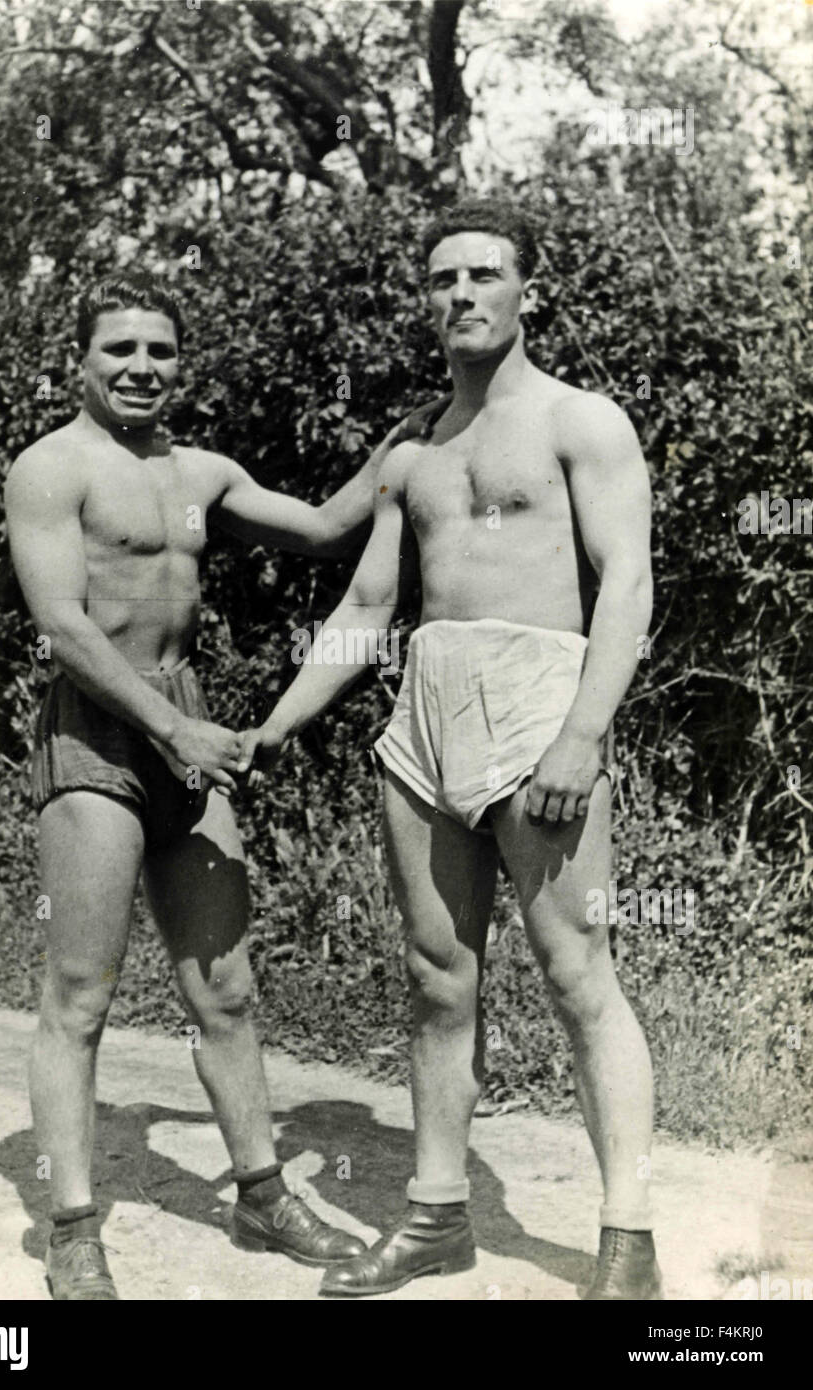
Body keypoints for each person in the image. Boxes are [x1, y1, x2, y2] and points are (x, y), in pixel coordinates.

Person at [241, 197, 661, 1301]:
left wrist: (582, 733)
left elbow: (627, 587)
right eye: (444, 280)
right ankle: (435, 1216)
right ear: (425, 300)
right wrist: (277, 722)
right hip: (427, 712)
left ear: (529, 289)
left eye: (484, 274)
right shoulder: (412, 450)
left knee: (578, 976)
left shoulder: (584, 422)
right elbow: (368, 603)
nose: (463, 295)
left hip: (543, 703)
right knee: (437, 979)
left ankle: (625, 1245)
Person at [4, 270, 437, 1299]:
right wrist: (174, 729)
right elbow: (63, 626)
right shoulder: (50, 467)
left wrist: (411, 437)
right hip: (98, 737)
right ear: (82, 359)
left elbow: (329, 526)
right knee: (80, 991)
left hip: (183, 727)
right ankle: (71, 1225)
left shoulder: (203, 470)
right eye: (120, 348)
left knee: (226, 989)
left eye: (160, 350)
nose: (142, 367)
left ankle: (260, 1193)